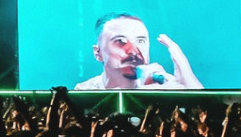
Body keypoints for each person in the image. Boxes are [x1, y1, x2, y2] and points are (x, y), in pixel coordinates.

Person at [72, 12, 201, 90]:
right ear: (97, 53)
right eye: (120, 41)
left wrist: (184, 69)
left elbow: (207, 117)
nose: (133, 51)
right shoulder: (85, 92)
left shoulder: (164, 86)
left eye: (140, 41)